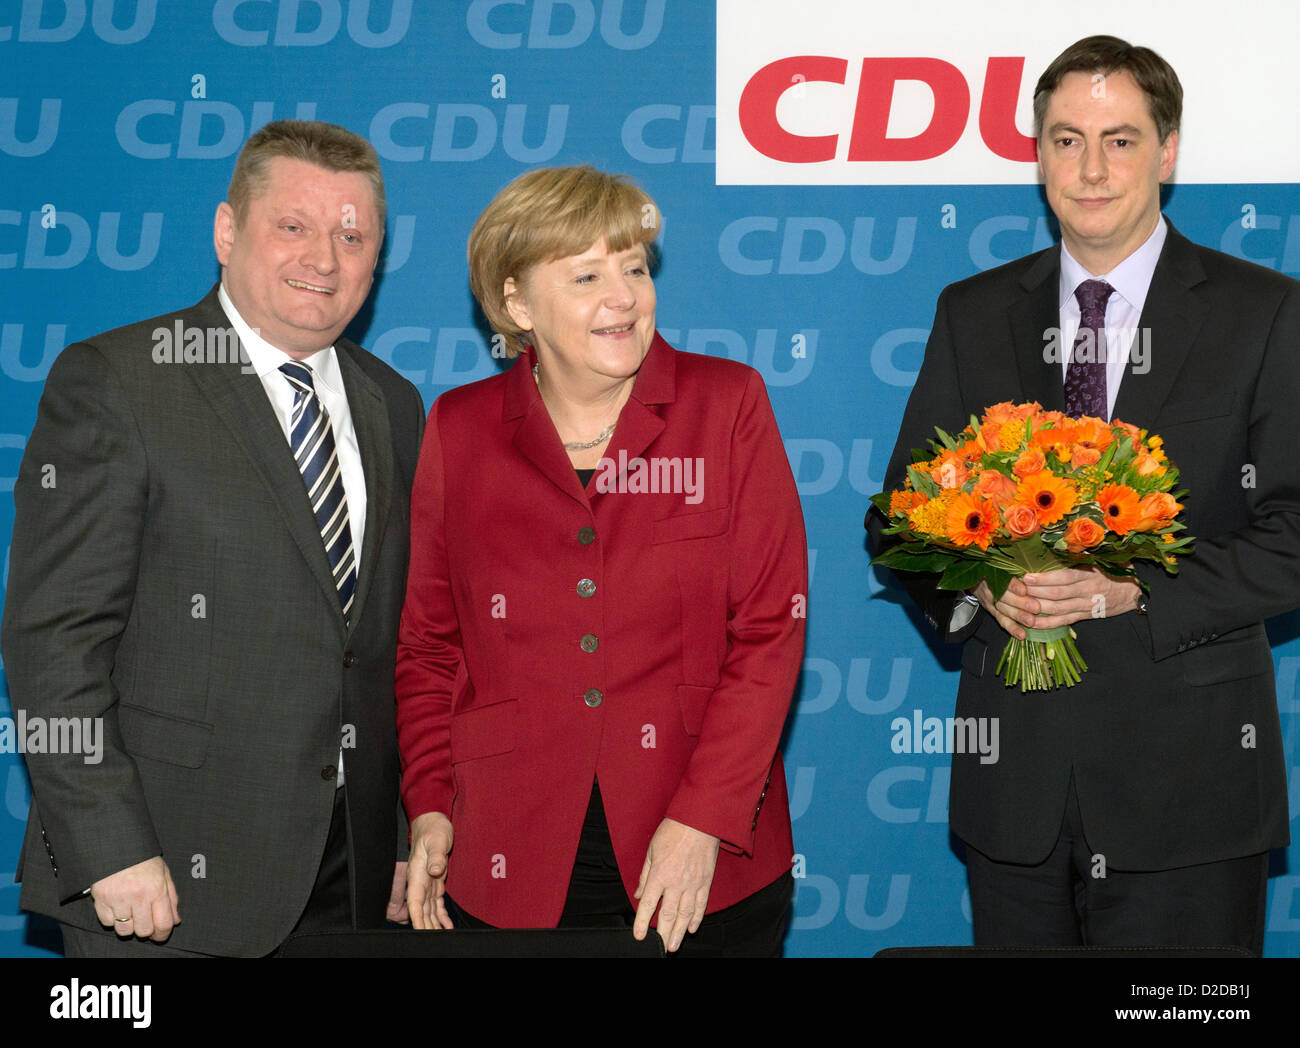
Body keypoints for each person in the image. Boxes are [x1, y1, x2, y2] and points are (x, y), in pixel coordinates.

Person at [869, 36, 1297, 953]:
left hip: (1189, 794)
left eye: (1120, 140)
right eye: (1066, 140)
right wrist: (979, 587)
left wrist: (1131, 588)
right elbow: (897, 516)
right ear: (1036, 154)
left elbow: (1295, 532)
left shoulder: (1262, 312)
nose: (1091, 169)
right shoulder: (973, 311)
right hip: (1014, 792)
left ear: (1168, 150)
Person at [2, 120, 425, 956]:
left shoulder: (395, 404)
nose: (325, 258)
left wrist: (409, 837)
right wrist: (110, 847)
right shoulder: (121, 381)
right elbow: (54, 638)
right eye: (293, 227)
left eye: (353, 235)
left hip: (356, 879)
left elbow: (391, 650)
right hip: (164, 881)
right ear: (228, 232)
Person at [396, 166, 806, 956]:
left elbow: (769, 632)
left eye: (635, 268)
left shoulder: (727, 405)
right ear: (517, 305)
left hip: (700, 858)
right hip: (506, 859)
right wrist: (430, 804)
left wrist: (702, 819)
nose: (623, 297)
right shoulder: (460, 428)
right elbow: (428, 645)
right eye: (587, 275)